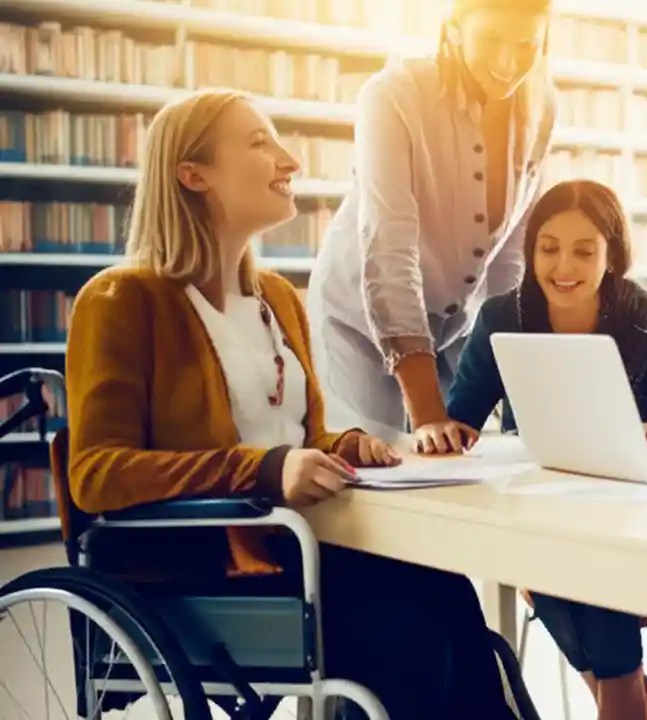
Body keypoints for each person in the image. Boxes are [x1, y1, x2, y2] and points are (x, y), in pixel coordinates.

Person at [64, 89, 515, 719]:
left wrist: (343, 447)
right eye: (258, 142)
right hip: (208, 575)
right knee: (410, 632)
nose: (289, 160)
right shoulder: (121, 301)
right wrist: (265, 468)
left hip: (298, 553)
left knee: (449, 598)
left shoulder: (276, 297)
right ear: (193, 175)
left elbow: (300, 440)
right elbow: (96, 475)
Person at [433, 179, 647, 719]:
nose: (563, 266)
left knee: (574, 564)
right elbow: (461, 421)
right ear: (531, 252)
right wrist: (439, 433)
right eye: (548, 248)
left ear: (612, 256)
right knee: (561, 556)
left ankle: (619, 693)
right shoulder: (503, 317)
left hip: (634, 522)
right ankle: (623, 692)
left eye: (584, 250)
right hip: (543, 514)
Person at [307, 0, 557, 447]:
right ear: (455, 27)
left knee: (462, 463)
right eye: (491, 40)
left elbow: (510, 262)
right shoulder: (392, 95)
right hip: (360, 320)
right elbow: (389, 249)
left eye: (526, 45)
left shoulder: (542, 106)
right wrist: (426, 416)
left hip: (455, 327)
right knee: (373, 457)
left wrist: (523, 396)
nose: (507, 63)